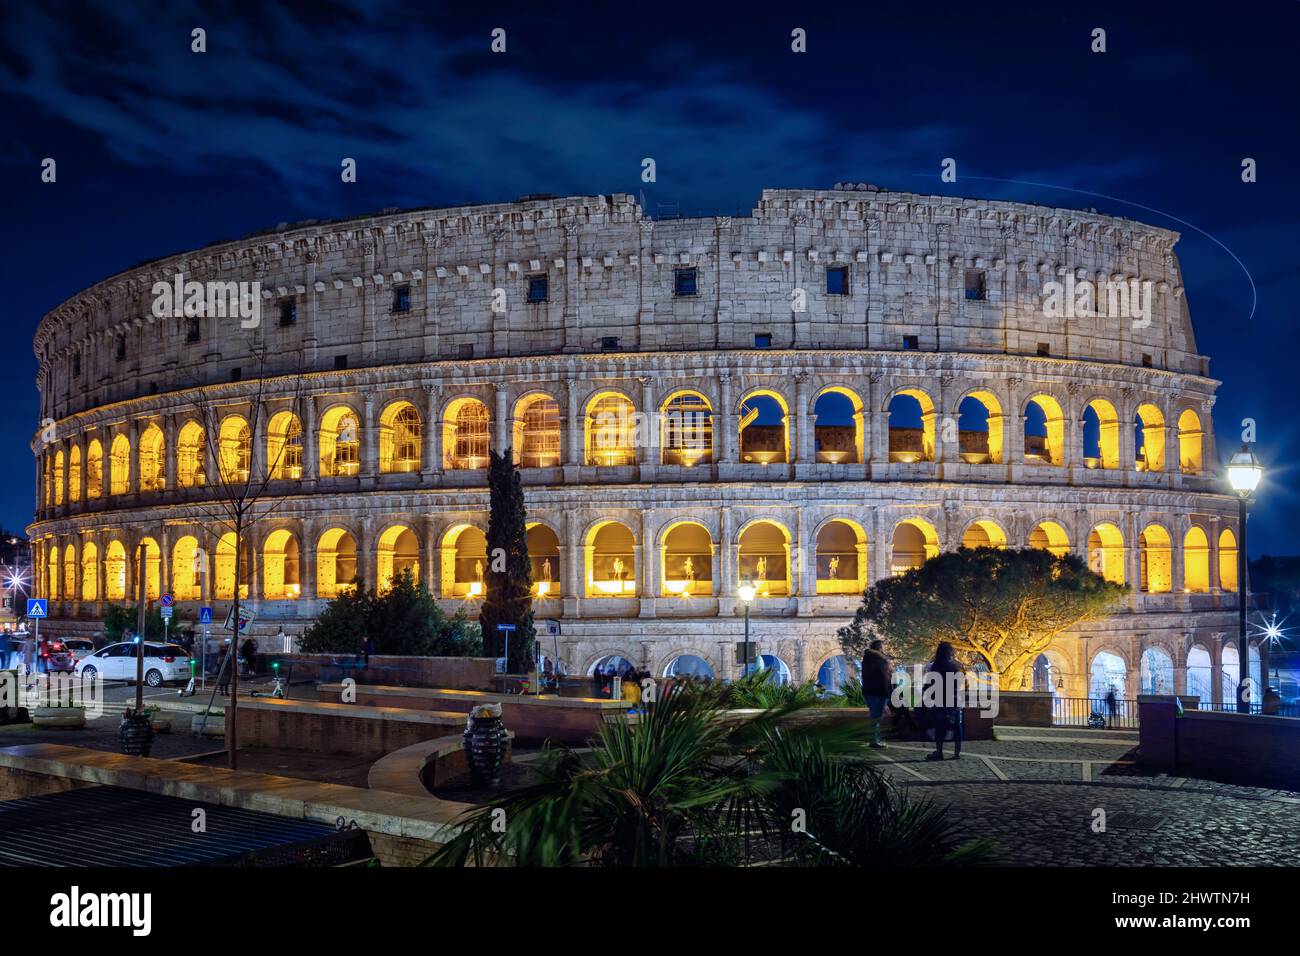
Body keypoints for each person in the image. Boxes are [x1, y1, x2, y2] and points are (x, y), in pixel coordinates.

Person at [925, 641, 964, 761]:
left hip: (940, 699)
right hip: (954, 699)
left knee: (939, 726)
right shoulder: (955, 666)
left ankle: (939, 751)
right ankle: (957, 753)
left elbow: (929, 684)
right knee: (957, 726)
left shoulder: (935, 666)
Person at [860, 639, 893, 749]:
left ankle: (875, 739)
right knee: (876, 718)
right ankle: (874, 740)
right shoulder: (880, 660)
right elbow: (883, 678)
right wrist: (887, 693)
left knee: (875, 716)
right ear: (880, 648)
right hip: (879, 692)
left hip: (868, 692)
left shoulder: (866, 659)